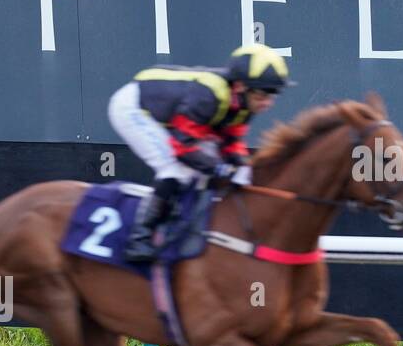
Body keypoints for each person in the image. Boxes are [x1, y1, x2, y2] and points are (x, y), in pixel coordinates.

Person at [107, 44, 293, 263]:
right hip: (133, 109)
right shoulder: (209, 95)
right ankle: (139, 239)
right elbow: (183, 148)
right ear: (241, 86)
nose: (268, 103)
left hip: (170, 116)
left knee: (208, 165)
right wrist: (222, 169)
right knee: (174, 169)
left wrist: (242, 165)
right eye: (263, 94)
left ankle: (184, 220)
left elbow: (231, 141)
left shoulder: (244, 103)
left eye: (273, 95)